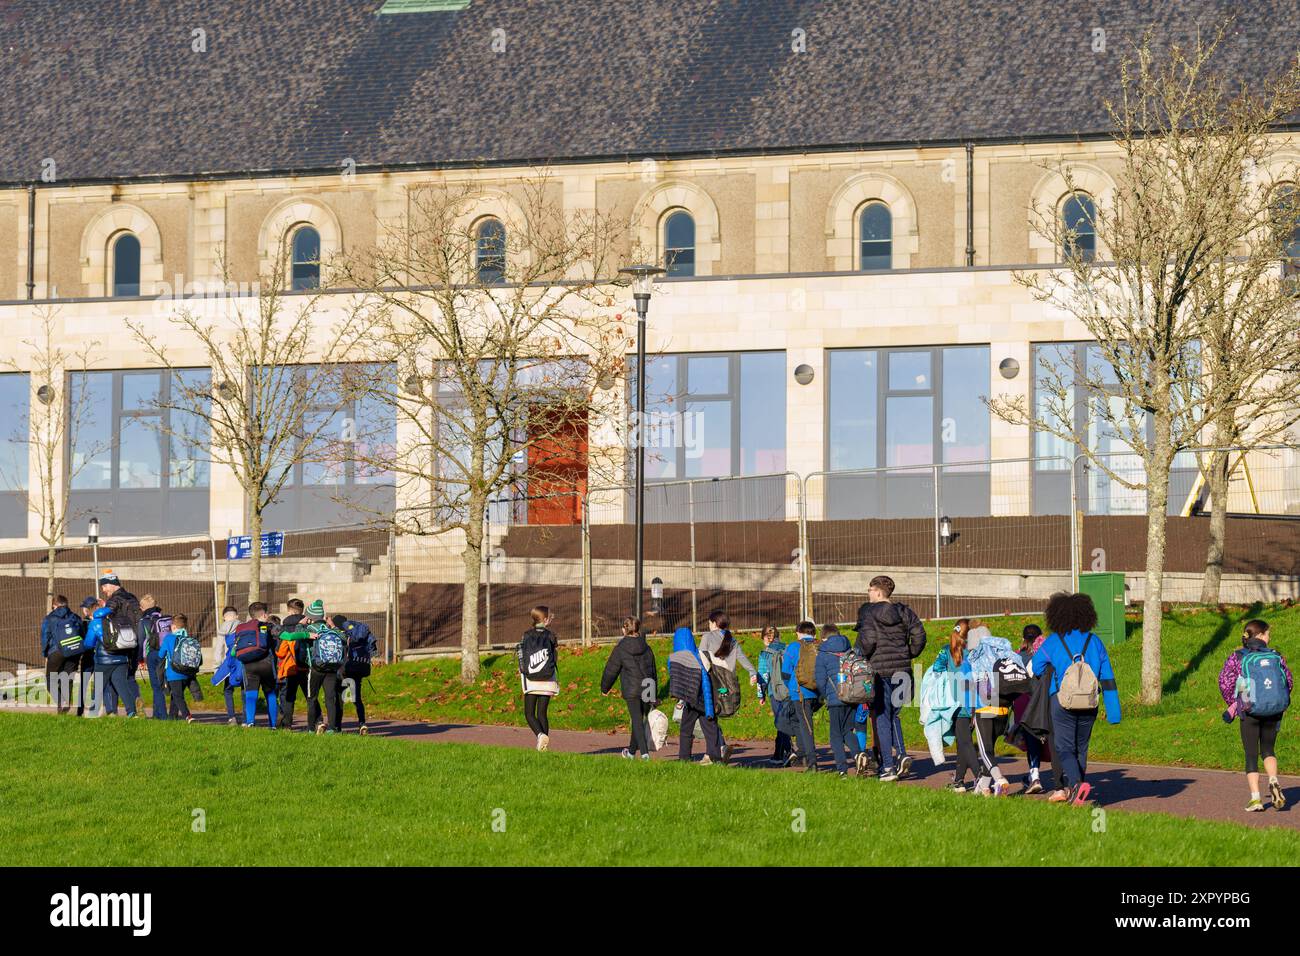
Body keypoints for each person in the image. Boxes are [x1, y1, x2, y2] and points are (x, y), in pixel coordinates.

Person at [1028, 591, 1122, 805]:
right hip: (1089, 703)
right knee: (1081, 747)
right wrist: (1114, 713)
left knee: (1063, 747)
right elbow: (1107, 679)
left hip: (1061, 701)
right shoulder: (1095, 642)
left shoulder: (1053, 641)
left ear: (1056, 616)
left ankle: (1077, 786)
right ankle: (1078, 789)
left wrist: (1052, 673)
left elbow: (1036, 666)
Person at [854, 574, 927, 781]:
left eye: (869, 590)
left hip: (880, 671)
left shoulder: (869, 613)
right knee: (894, 715)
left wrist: (861, 656)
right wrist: (909, 653)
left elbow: (867, 641)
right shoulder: (904, 611)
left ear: (878, 591)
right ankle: (902, 754)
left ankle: (887, 766)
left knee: (882, 717)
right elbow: (920, 635)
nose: (868, 593)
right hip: (903, 669)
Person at [1218, 619, 1293, 812]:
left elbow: (1225, 681)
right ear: (1260, 636)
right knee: (1268, 750)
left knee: (1251, 754)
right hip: (1273, 710)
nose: (1269, 638)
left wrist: (1234, 703)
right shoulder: (1275, 655)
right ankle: (1274, 780)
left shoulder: (1238, 656)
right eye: (1267, 634)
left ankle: (1256, 799)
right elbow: (1288, 681)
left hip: (1249, 709)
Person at [698, 610, 757, 763]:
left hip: (712, 684)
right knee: (713, 717)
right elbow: (743, 659)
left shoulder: (707, 637)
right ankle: (721, 746)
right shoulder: (732, 640)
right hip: (726, 688)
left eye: (709, 623)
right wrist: (752, 673)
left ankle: (711, 753)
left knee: (708, 716)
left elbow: (701, 659)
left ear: (714, 623)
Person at [600, 616, 658, 759]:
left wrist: (604, 688)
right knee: (639, 721)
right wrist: (654, 692)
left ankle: (644, 754)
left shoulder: (621, 648)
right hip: (648, 686)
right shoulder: (646, 647)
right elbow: (653, 669)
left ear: (623, 630)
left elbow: (611, 670)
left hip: (632, 687)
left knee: (637, 721)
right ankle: (631, 753)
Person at [815, 623, 863, 777]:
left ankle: (842, 769)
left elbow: (820, 680)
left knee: (835, 734)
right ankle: (857, 754)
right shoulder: (850, 650)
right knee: (847, 731)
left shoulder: (822, 653)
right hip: (852, 697)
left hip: (835, 698)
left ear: (824, 637)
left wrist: (825, 696)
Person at [668, 626, 721, 764]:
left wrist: (680, 698)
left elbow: (675, 678)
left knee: (686, 728)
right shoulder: (699, 654)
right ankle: (714, 755)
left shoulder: (675, 658)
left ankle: (684, 757)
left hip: (691, 699)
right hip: (705, 697)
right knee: (710, 727)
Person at [83, 601, 139, 717]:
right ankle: (132, 712)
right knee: (122, 686)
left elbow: (88, 643)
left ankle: (93, 712)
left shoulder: (95, 623)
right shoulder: (117, 619)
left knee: (98, 686)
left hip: (104, 661)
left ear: (93, 613)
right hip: (122, 659)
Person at [1015, 622, 1052, 794]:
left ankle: (1034, 775)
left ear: (1023, 639)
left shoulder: (1018, 656)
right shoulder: (1045, 655)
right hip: (1042, 700)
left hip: (1023, 701)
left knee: (1030, 740)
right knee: (1043, 738)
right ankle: (1041, 775)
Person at [780, 620, 821, 771]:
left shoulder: (793, 647)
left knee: (806, 727)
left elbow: (785, 673)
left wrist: (791, 688)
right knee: (806, 723)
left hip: (799, 693)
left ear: (799, 632)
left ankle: (811, 762)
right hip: (817, 691)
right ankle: (806, 755)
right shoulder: (819, 646)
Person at [517, 606, 560, 750]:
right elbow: (554, 658)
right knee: (542, 713)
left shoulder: (526, 635)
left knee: (529, 714)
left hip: (531, 680)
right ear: (546, 620)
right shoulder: (551, 636)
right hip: (547, 679)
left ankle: (540, 735)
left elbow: (522, 656)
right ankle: (544, 745)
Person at [233, 601, 279, 729]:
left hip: (248, 665)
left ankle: (250, 722)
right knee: (270, 694)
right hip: (267, 664)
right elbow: (281, 638)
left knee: (251, 694)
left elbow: (234, 648)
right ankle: (273, 725)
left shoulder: (241, 628)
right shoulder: (268, 626)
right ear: (264, 614)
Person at [303, 600, 344, 734]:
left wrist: (301, 623)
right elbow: (344, 638)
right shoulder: (329, 629)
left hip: (316, 668)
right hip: (332, 667)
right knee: (330, 698)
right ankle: (332, 728)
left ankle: (310, 728)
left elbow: (298, 632)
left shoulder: (310, 628)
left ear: (310, 617)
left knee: (312, 698)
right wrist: (332, 626)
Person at [40, 596, 85, 715]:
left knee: (50, 679)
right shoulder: (75, 617)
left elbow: (45, 637)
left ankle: (61, 702)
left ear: (54, 605)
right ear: (66, 604)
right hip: (74, 651)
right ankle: (63, 709)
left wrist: (45, 653)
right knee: (67, 678)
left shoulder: (49, 619)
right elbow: (82, 633)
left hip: (57, 651)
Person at [756, 624, 793, 766]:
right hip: (790, 690)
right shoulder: (788, 648)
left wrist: (761, 695)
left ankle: (784, 753)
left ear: (765, 638)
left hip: (775, 691)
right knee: (787, 720)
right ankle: (783, 753)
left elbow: (763, 676)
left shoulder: (765, 653)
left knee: (780, 723)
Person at [337, 614, 377, 733]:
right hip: (360, 668)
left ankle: (337, 726)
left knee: (341, 698)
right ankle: (362, 723)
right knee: (357, 698)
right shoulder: (361, 631)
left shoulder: (344, 633)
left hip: (347, 670)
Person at [277, 598, 311, 728]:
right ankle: (316, 722)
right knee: (310, 696)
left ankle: (287, 724)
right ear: (302, 610)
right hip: (305, 667)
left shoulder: (283, 627)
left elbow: (279, 652)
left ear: (288, 611)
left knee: (289, 697)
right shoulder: (307, 626)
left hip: (290, 666)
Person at [159, 613, 197, 723]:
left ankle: (188, 716)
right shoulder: (188, 638)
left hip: (173, 673)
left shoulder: (169, 638)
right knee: (175, 696)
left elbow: (161, 655)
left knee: (177, 696)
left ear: (174, 627)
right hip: (187, 673)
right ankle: (172, 718)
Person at [212, 605, 244, 724]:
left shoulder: (223, 629)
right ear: (237, 616)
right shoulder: (243, 626)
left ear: (224, 618)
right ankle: (247, 719)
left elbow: (219, 650)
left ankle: (232, 717)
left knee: (228, 690)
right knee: (244, 688)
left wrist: (217, 667)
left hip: (230, 663)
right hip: (244, 661)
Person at [139, 594, 169, 720]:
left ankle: (162, 716)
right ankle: (157, 714)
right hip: (166, 653)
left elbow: (141, 640)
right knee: (163, 683)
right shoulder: (165, 619)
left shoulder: (143, 621)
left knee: (156, 686)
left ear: (142, 607)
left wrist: (140, 658)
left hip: (152, 654)